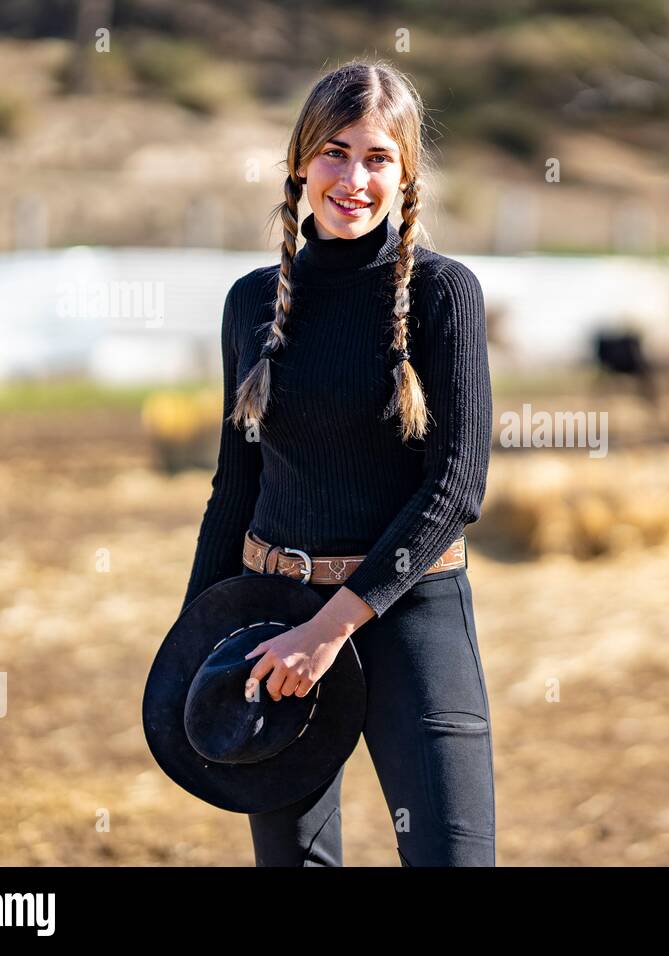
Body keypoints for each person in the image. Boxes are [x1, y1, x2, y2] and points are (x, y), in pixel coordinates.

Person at [180, 59, 495, 866]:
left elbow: (456, 486)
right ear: (299, 162)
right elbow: (234, 486)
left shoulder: (443, 293)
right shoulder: (251, 302)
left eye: (378, 157)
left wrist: (330, 629)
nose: (353, 178)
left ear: (406, 173)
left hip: (410, 618)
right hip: (272, 617)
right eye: (334, 152)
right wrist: (195, 639)